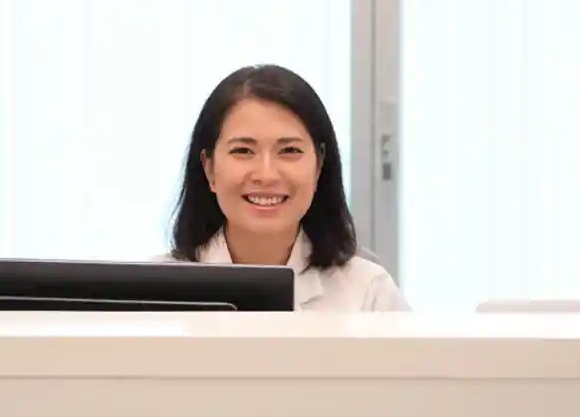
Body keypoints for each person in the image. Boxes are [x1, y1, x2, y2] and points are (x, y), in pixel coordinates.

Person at [166, 64, 409, 311]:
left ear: (318, 166)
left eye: (289, 150)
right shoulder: (159, 288)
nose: (266, 174)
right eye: (243, 151)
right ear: (209, 168)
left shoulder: (369, 293)